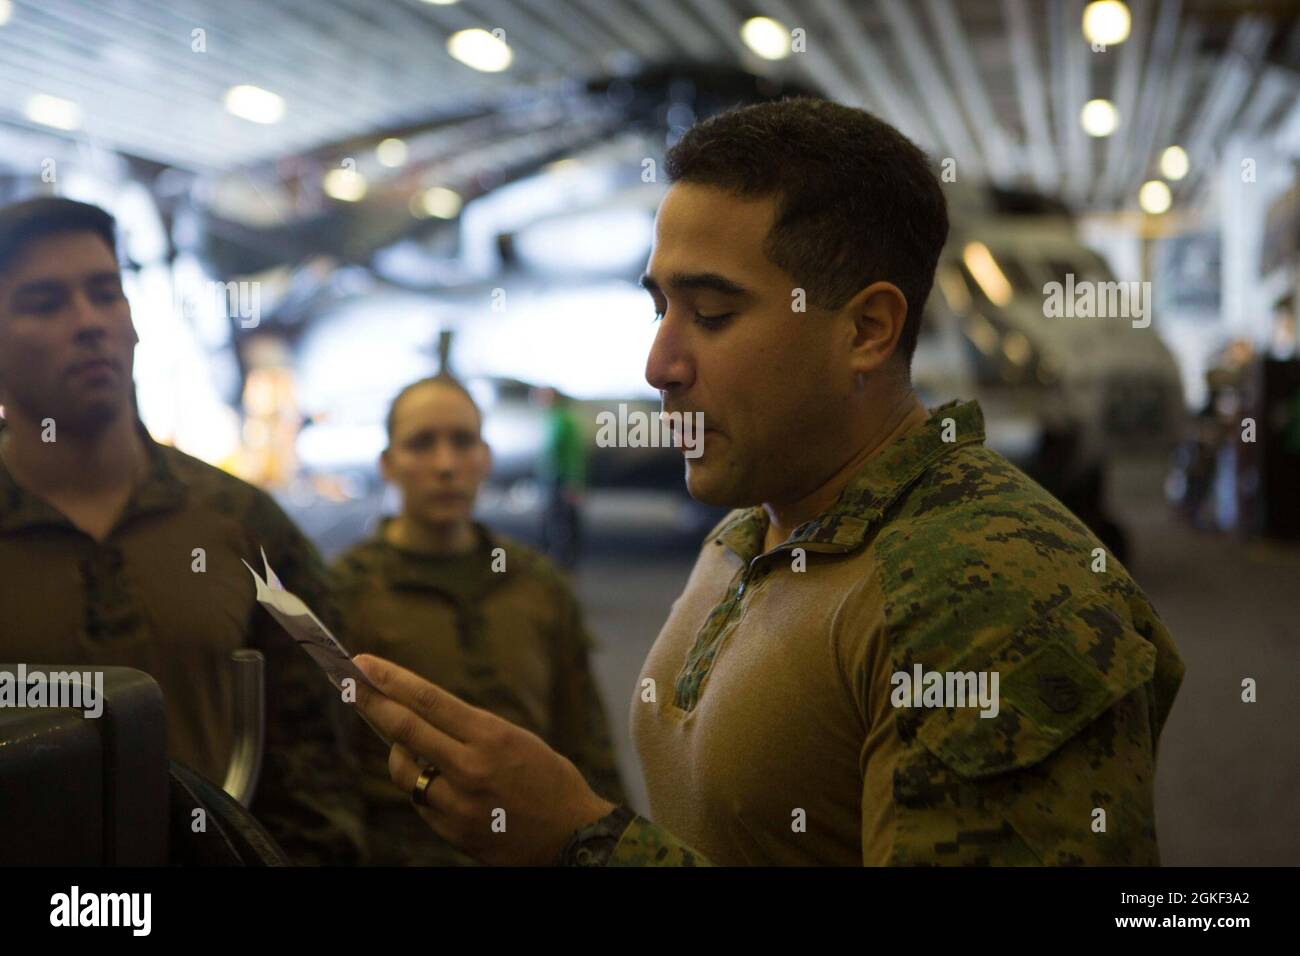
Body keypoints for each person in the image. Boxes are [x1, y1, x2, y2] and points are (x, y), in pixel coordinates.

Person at [352, 98, 1185, 866]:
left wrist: (581, 843)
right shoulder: (754, 528)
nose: (659, 365)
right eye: (660, 309)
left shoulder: (992, 596)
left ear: (866, 329)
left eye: (712, 314)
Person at [0, 197, 363, 865]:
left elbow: (325, 758)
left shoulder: (244, 525)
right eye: (46, 303)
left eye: (105, 293)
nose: (89, 323)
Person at [331, 374, 625, 865]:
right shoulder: (342, 591)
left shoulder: (538, 586)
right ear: (388, 464)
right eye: (422, 444)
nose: (446, 465)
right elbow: (319, 771)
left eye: (463, 442)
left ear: (485, 458)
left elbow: (587, 747)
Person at [533, 386, 586, 569]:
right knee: (550, 521)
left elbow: (573, 456)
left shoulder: (564, 421)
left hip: (561, 481)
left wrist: (574, 483)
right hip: (549, 480)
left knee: (563, 523)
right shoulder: (550, 420)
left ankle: (564, 563)